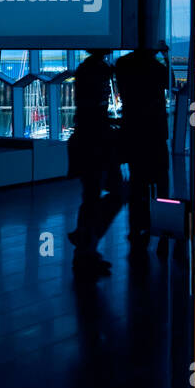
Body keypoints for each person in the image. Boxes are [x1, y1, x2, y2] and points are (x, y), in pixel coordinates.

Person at [68, 49, 123, 276]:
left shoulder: (87, 69)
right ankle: (85, 242)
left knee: (90, 197)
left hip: (87, 142)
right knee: (113, 193)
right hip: (96, 144)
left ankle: (85, 244)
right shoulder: (98, 69)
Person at [115, 46, 170, 255]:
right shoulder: (155, 67)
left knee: (137, 185)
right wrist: (164, 56)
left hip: (133, 132)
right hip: (154, 134)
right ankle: (164, 230)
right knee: (161, 183)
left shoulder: (123, 65)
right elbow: (170, 81)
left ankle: (137, 229)